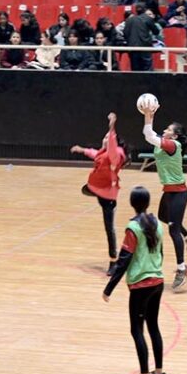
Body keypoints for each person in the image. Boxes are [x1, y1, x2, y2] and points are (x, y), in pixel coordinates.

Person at [102, 186, 166, 374]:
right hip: (158, 281)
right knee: (154, 326)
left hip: (141, 286)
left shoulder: (133, 227)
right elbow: (161, 253)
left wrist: (109, 288)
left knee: (137, 329)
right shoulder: (157, 224)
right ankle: (159, 373)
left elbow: (124, 261)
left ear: (132, 203)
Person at [141, 103, 187, 291]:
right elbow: (148, 134)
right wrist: (149, 115)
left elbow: (149, 135)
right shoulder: (164, 142)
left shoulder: (173, 145)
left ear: (173, 136)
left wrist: (149, 114)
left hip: (179, 193)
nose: (164, 130)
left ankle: (182, 268)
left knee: (173, 230)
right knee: (164, 218)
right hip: (169, 191)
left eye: (168, 129)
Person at [70, 113, 129, 276]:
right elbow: (95, 154)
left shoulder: (115, 154)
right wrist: (82, 150)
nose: (105, 138)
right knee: (107, 225)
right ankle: (92, 189)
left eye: (107, 137)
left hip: (108, 196)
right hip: (99, 190)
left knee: (109, 229)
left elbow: (111, 143)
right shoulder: (104, 152)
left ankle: (113, 261)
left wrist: (112, 126)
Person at [124, 2, 160, 71]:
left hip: (133, 48)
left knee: (135, 72)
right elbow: (156, 31)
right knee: (147, 71)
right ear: (145, 9)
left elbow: (125, 33)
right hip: (145, 48)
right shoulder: (148, 18)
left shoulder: (129, 20)